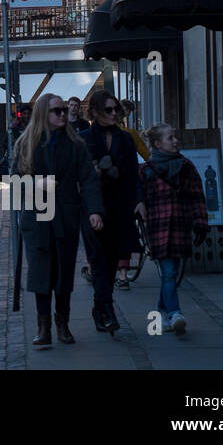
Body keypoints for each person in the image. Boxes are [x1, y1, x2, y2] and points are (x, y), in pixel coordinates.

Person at [13, 93, 104, 349]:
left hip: (66, 217)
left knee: (64, 274)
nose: (63, 114)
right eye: (57, 110)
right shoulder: (26, 144)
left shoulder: (76, 145)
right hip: (37, 218)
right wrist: (35, 183)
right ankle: (43, 328)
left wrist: (94, 210)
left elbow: (88, 180)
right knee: (41, 273)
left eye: (64, 110)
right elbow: (13, 182)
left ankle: (63, 323)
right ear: (44, 113)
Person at [78, 90, 141, 335]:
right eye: (108, 109)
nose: (114, 113)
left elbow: (134, 172)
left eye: (116, 109)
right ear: (94, 112)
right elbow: (80, 177)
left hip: (120, 207)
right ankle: (107, 309)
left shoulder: (125, 139)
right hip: (93, 208)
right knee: (98, 258)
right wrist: (98, 172)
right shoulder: (83, 139)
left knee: (113, 258)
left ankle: (100, 306)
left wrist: (139, 201)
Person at [137, 124, 209, 335]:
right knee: (168, 272)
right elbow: (136, 198)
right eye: (171, 138)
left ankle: (162, 311)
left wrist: (201, 224)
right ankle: (176, 313)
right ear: (158, 144)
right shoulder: (146, 170)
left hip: (180, 226)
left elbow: (197, 196)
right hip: (158, 228)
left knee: (173, 275)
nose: (176, 141)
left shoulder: (186, 166)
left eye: (175, 137)